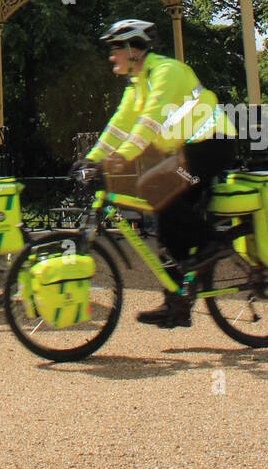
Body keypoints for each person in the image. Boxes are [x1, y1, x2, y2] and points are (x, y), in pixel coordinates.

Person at [81, 20, 238, 329]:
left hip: (211, 145)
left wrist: (120, 158)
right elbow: (119, 125)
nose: (111, 57)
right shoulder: (137, 83)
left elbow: (150, 123)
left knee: (153, 184)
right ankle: (177, 304)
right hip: (188, 151)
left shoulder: (165, 72)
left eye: (115, 50)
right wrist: (90, 159)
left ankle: (213, 244)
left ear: (132, 49)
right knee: (166, 223)